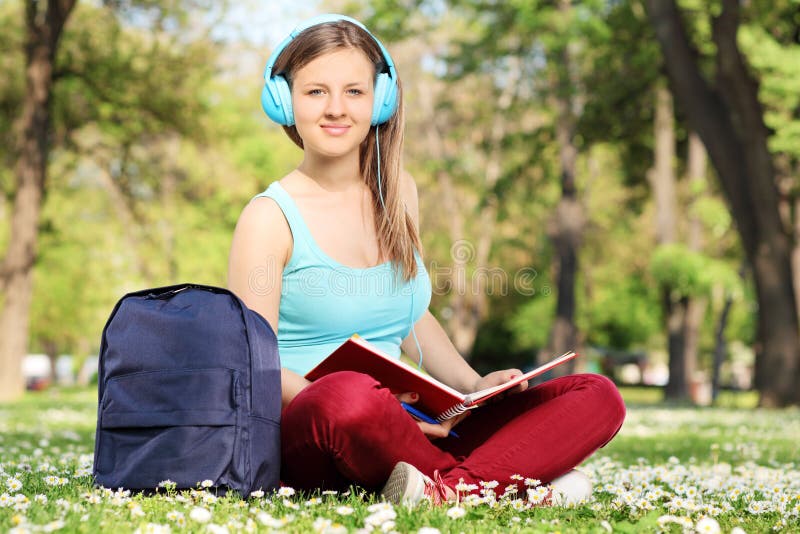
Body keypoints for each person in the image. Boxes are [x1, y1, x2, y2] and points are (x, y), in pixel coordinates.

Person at [227, 13, 625, 505]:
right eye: (315, 92)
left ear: (380, 101)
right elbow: (251, 364)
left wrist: (471, 386)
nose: (336, 109)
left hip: (413, 428)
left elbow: (411, 316)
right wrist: (383, 408)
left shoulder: (399, 193)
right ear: (285, 102)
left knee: (595, 395)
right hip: (321, 424)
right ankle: (503, 487)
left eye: (354, 91)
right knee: (347, 393)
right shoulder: (268, 217)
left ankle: (445, 490)